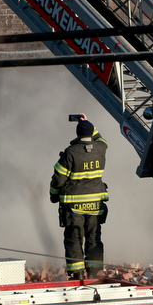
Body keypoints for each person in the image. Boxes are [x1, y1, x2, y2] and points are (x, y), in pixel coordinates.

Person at [50, 116, 108, 280]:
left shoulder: (71, 152)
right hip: (96, 205)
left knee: (74, 238)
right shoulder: (101, 148)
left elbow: (58, 179)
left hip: (75, 206)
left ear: (77, 133)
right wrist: (88, 124)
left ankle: (77, 273)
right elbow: (100, 138)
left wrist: (53, 195)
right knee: (94, 238)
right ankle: (95, 272)